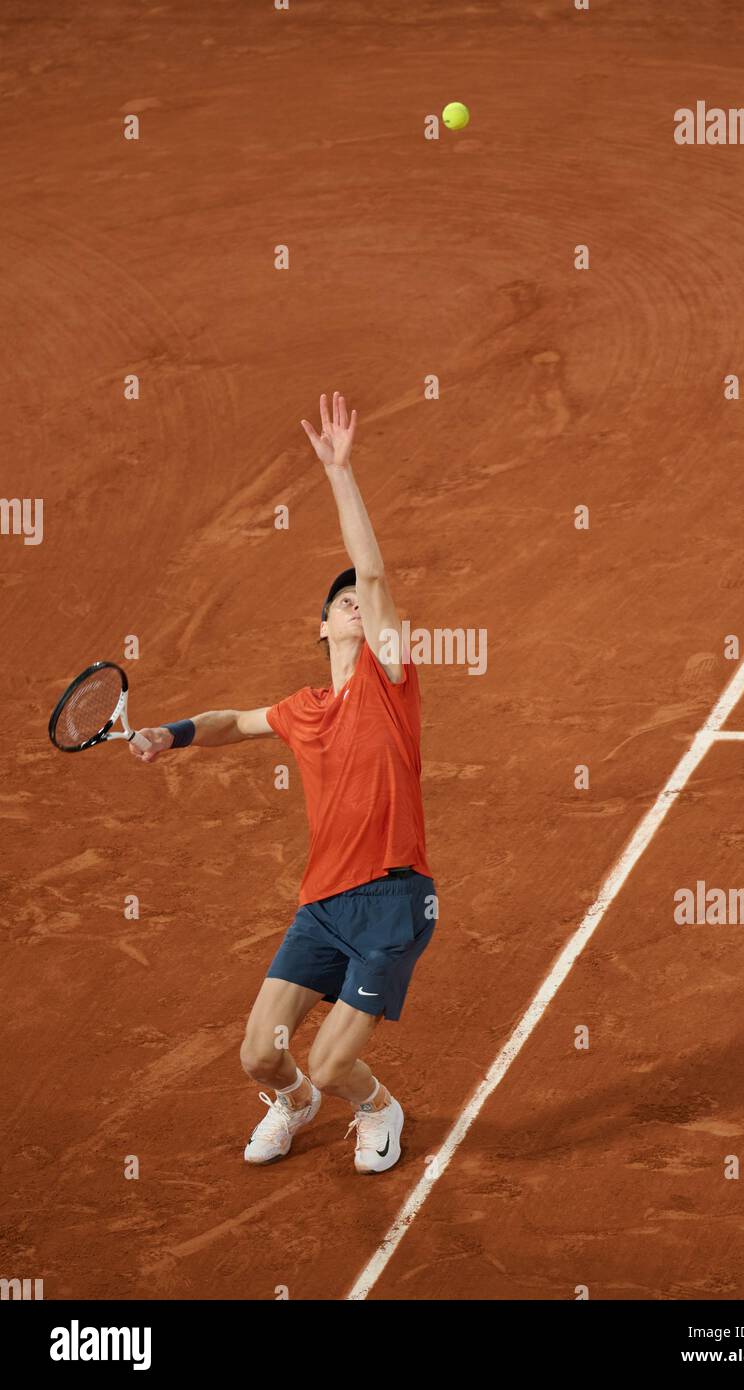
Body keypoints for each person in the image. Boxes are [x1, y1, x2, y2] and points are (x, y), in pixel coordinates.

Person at [131, 392, 436, 1174]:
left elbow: (371, 569)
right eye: (342, 608)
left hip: (393, 902)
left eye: (362, 607)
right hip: (323, 905)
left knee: (338, 1064)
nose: (357, 611)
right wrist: (173, 733)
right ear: (323, 627)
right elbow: (234, 720)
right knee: (260, 1056)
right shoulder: (304, 710)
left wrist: (339, 473)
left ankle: (376, 1108)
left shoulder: (390, 680)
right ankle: (294, 1103)